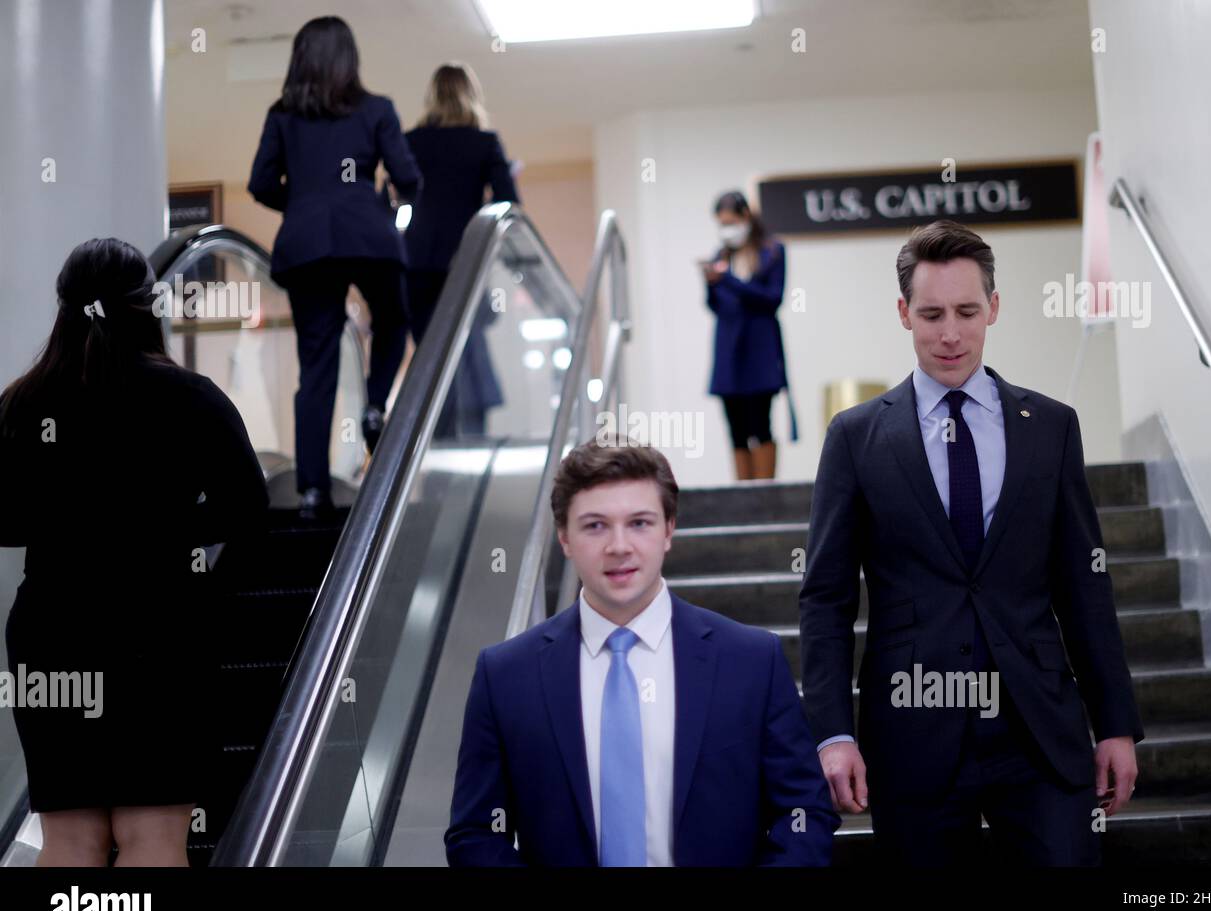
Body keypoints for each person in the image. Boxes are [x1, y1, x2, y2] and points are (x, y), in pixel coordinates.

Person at [799, 220, 1143, 866]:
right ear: (904, 313)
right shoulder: (855, 437)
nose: (950, 333)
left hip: (1038, 728)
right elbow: (826, 598)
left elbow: (1084, 585)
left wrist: (1116, 722)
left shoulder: (1052, 428)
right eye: (931, 314)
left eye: (966, 311)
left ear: (995, 307)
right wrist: (832, 732)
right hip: (911, 730)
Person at [0, 238, 269, 866]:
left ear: (63, 309)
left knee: (68, 838)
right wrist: (175, 545)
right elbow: (248, 513)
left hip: (51, 634)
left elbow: (4, 520)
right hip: (161, 633)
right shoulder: (190, 396)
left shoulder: (22, 403)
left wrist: (69, 518)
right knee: (152, 835)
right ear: (149, 307)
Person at [445, 438, 838, 866]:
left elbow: (804, 812)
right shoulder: (504, 676)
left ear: (669, 529)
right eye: (595, 525)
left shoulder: (750, 661)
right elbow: (476, 833)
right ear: (564, 537)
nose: (619, 546)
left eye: (640, 523)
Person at [248, 15, 421, 518]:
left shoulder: (282, 114)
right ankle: (375, 402)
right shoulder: (377, 109)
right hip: (369, 236)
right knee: (393, 319)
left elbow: (260, 183)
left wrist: (302, 205)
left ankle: (312, 491)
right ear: (351, 59)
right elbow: (408, 176)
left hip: (307, 248)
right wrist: (385, 205)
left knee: (316, 366)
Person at [403, 62, 518, 438]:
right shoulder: (484, 142)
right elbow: (508, 202)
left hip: (417, 264)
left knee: (430, 361)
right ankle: (469, 442)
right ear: (472, 95)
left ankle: (435, 441)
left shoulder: (411, 141)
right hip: (465, 263)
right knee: (467, 351)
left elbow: (396, 192)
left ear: (431, 96)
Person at [702, 190, 797, 481]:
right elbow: (716, 305)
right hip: (729, 349)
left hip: (760, 350)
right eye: (721, 223)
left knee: (760, 423)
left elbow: (772, 299)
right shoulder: (720, 256)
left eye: (731, 221)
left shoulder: (772, 251)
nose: (727, 228)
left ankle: (765, 494)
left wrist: (728, 280)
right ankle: (742, 495)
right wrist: (710, 283)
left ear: (745, 217)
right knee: (736, 427)